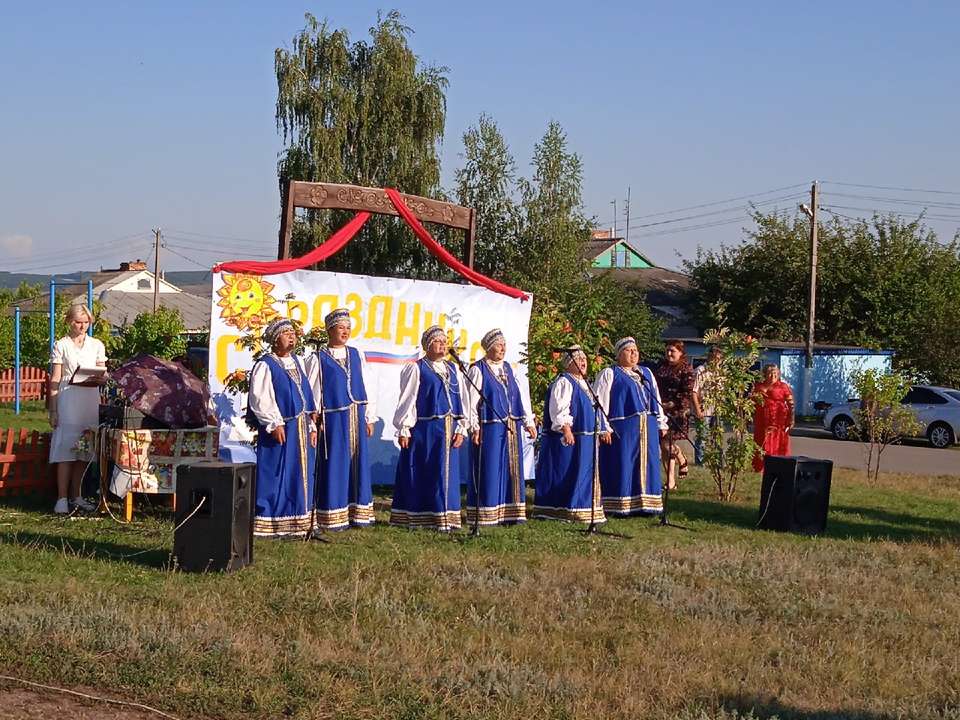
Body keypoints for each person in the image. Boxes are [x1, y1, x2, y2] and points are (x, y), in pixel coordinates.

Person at [305, 308, 377, 530]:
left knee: (357, 462)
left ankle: (358, 513)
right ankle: (332, 513)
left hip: (355, 413)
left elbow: (367, 384)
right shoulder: (318, 357)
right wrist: (313, 421)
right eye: (341, 327)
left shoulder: (356, 354)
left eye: (348, 327)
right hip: (333, 417)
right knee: (335, 462)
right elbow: (312, 389)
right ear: (330, 330)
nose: (345, 331)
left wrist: (369, 416)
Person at [391, 325, 466, 531]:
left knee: (446, 472)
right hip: (427, 429)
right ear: (427, 345)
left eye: (444, 340)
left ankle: (447, 517)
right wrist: (404, 428)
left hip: (449, 429)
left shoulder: (453, 368)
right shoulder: (416, 368)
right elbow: (408, 399)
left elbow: (462, 400)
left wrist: (461, 427)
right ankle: (424, 516)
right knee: (426, 471)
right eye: (437, 341)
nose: (442, 344)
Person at [247, 318, 317, 537]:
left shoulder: (296, 361)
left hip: (302, 427)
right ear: (275, 339)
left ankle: (299, 519)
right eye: (286, 333)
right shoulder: (266, 364)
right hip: (281, 428)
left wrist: (312, 424)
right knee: (277, 471)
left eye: (293, 333)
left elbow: (305, 393)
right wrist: (273, 422)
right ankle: (273, 520)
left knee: (300, 473)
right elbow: (261, 398)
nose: (292, 337)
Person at [465, 328, 537, 526]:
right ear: (488, 347)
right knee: (490, 468)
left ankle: (511, 513)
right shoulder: (478, 370)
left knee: (512, 469)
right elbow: (470, 402)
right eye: (498, 344)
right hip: (490, 427)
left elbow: (522, 396)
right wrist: (474, 427)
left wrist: (528, 421)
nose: (503, 348)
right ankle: (488, 513)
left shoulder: (509, 369)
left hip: (512, 426)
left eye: (504, 344)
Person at [533, 346, 609, 523]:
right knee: (568, 472)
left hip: (587, 438)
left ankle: (584, 508)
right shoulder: (564, 382)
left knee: (583, 473)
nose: (582, 362)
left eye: (584, 359)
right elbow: (559, 408)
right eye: (577, 359)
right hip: (572, 437)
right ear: (568, 364)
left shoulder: (585, 383)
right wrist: (566, 429)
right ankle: (564, 509)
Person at [594, 337, 668, 516]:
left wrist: (660, 421)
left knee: (648, 463)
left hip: (647, 427)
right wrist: (603, 427)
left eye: (636, 350)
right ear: (619, 355)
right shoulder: (610, 373)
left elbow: (655, 398)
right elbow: (599, 402)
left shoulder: (646, 373)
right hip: (623, 428)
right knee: (624, 463)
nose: (634, 353)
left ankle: (647, 504)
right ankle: (621, 505)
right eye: (629, 350)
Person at [48, 304, 107, 514]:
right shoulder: (61, 345)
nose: (82, 326)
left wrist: (102, 377)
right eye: (78, 322)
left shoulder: (97, 344)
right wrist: (53, 409)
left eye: (85, 322)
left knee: (84, 449)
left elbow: (102, 371)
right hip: (68, 398)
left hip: (89, 398)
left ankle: (77, 496)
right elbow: (55, 378)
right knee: (66, 450)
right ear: (69, 322)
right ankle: (62, 498)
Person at [653, 339, 695, 490]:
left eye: (672, 351)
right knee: (663, 446)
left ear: (681, 353)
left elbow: (687, 391)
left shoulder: (686, 369)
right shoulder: (661, 367)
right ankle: (670, 481)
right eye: (667, 351)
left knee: (668, 445)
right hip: (660, 411)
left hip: (677, 412)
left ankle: (681, 457)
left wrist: (673, 405)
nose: (669, 354)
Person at [752, 364, 795, 472]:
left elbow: (791, 404)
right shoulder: (758, 386)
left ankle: (777, 465)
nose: (773, 376)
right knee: (761, 439)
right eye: (770, 373)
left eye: (775, 373)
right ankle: (760, 466)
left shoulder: (783, 386)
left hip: (778, 417)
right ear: (765, 374)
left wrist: (792, 418)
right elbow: (752, 402)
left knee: (777, 440)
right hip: (761, 418)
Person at [692, 346, 722, 466]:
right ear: (709, 358)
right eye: (714, 358)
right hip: (704, 410)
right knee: (702, 437)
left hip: (717, 409)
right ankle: (700, 464)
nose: (716, 361)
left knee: (718, 437)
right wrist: (698, 409)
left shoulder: (721, 373)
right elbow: (694, 392)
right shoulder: (700, 370)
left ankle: (718, 463)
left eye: (718, 359)